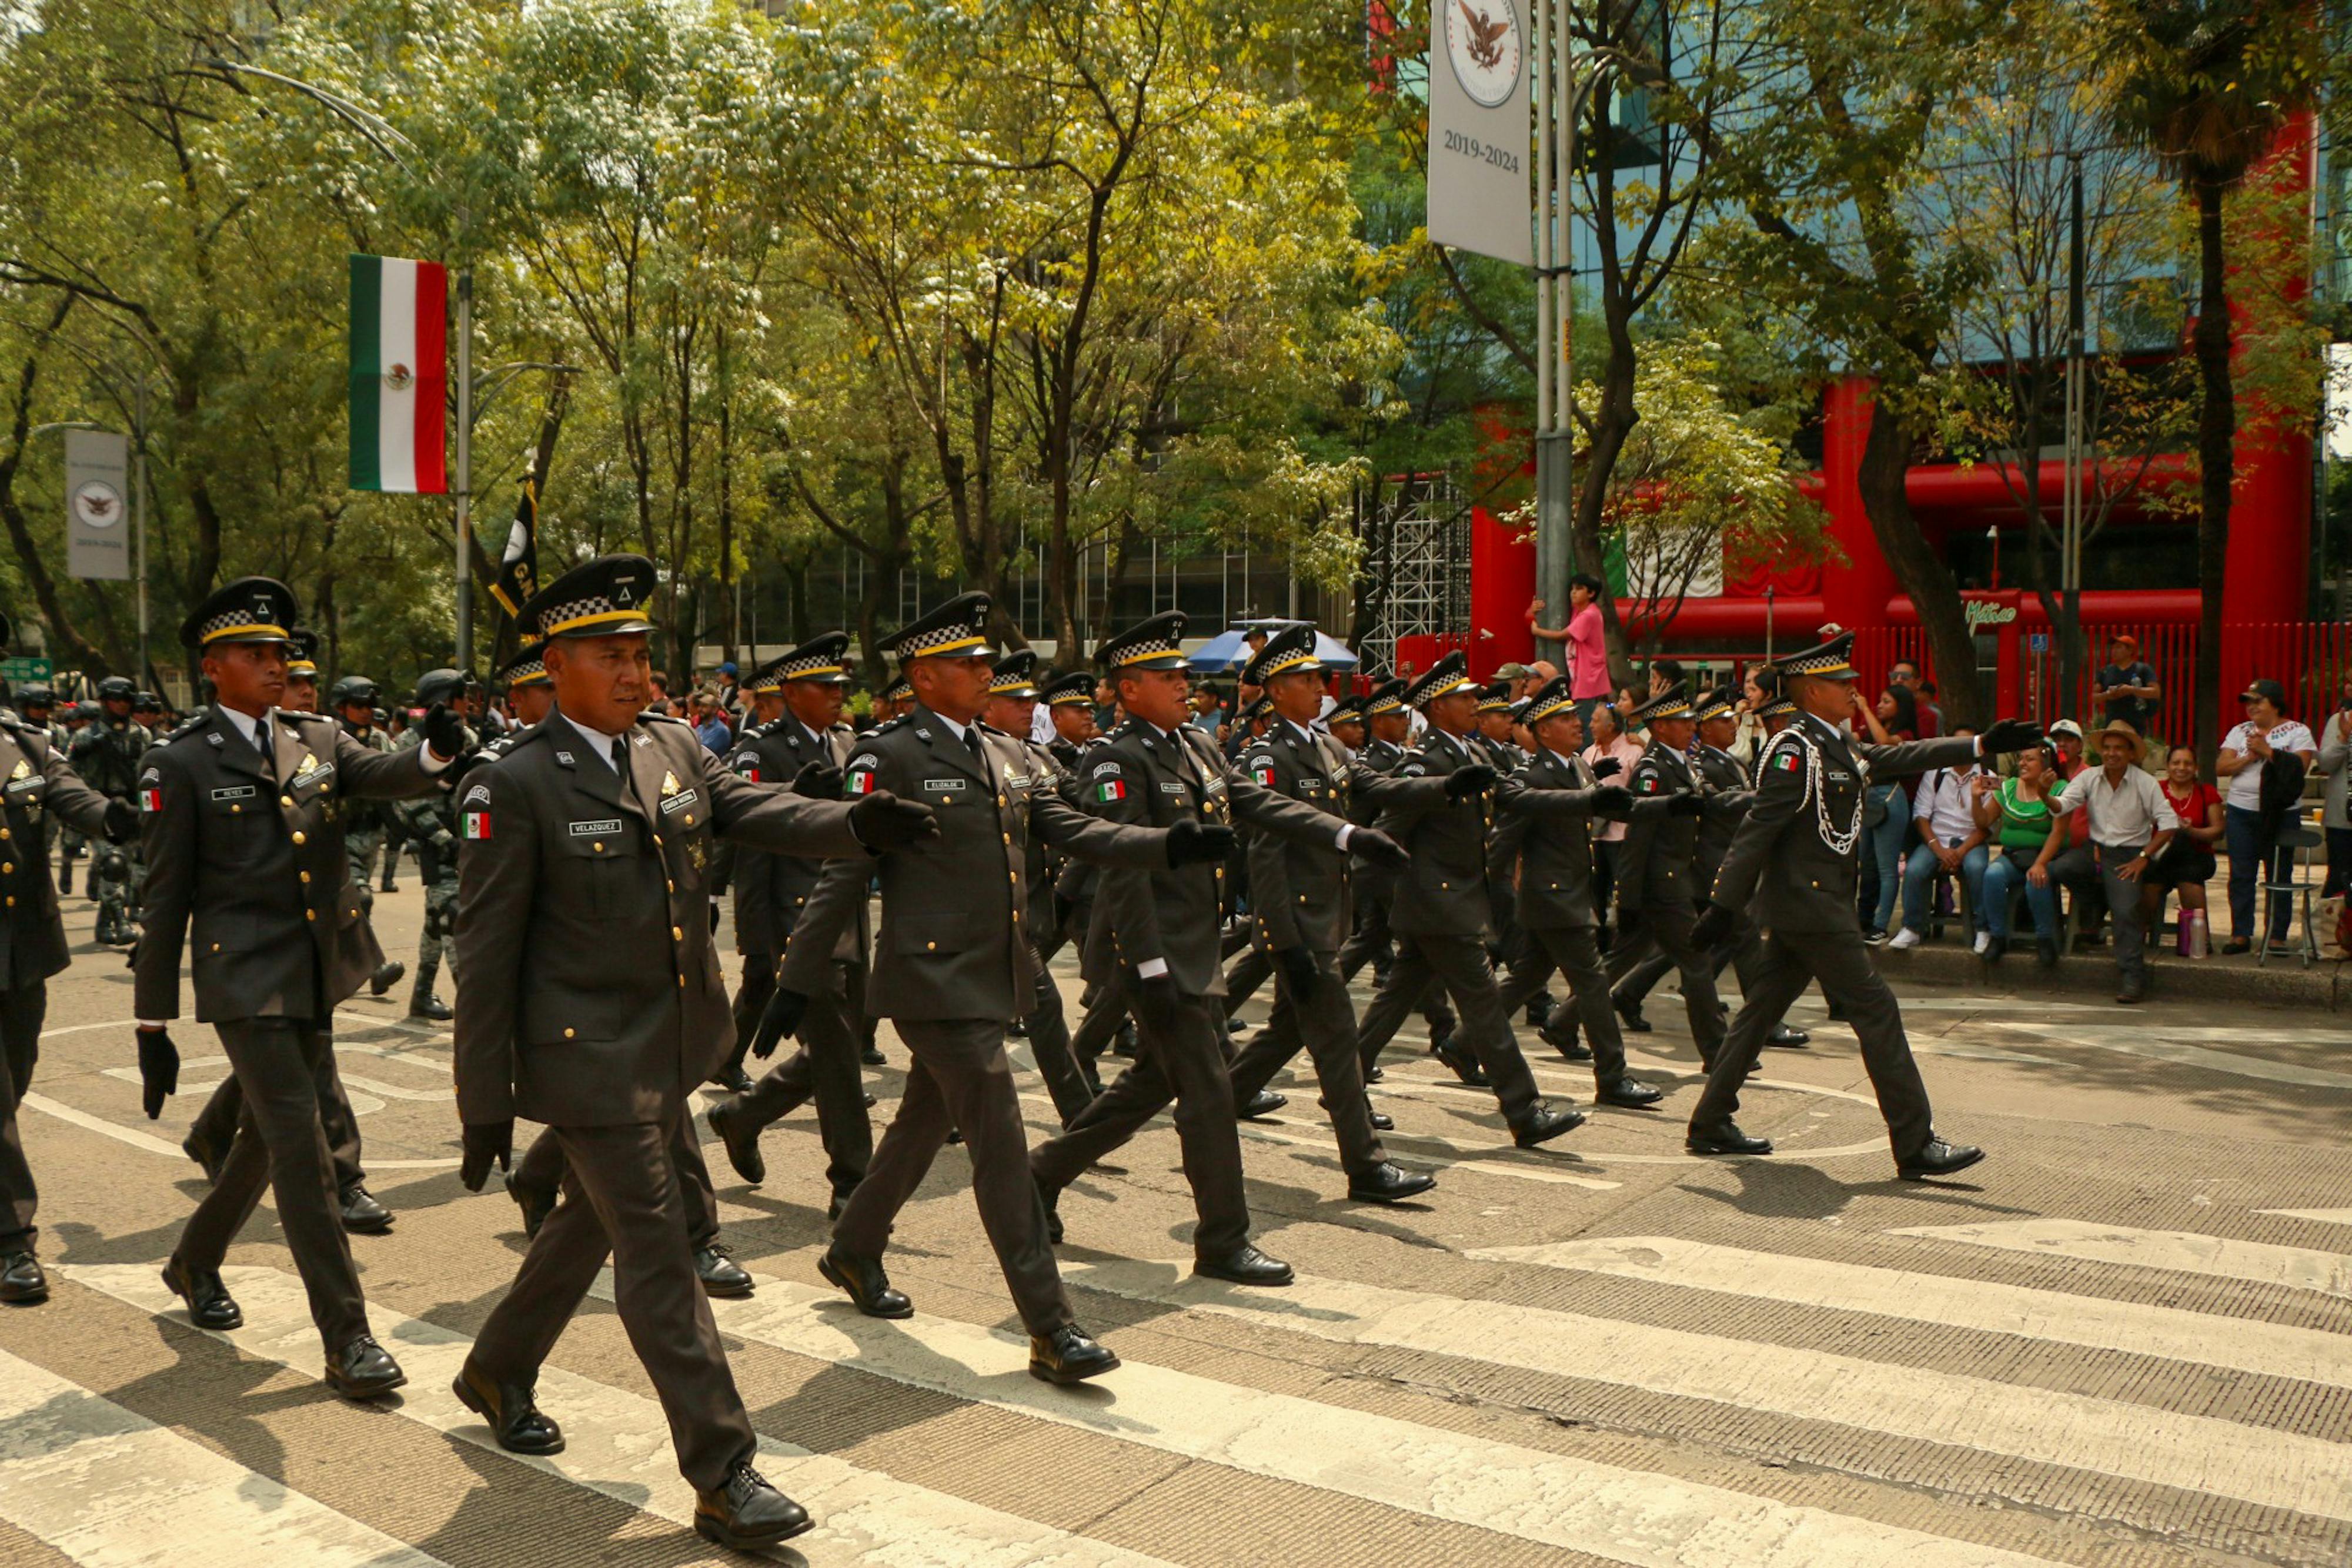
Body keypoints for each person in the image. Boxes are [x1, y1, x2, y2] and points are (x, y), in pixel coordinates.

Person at [450, 555, 933, 1552]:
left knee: (588, 1224)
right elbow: (485, 954)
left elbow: (754, 808)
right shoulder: (517, 780)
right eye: (610, 658)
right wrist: (482, 1102)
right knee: (661, 1253)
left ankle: (497, 1367)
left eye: (641, 655)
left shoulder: (670, 747)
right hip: (584, 1061)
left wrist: (854, 823)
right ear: (558, 664)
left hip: (667, 1048)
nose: (635, 675)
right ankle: (724, 1472)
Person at [797, 593, 1160, 1386]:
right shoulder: (888, 755)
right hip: (929, 979)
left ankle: (854, 1247)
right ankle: (1052, 1325)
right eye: (968, 661)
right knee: (1001, 1148)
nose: (986, 669)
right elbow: (844, 868)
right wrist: (798, 973)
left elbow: (1070, 825)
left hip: (992, 973)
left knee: (920, 1126)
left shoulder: (1004, 753)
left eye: (985, 658)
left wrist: (1162, 845)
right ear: (925, 677)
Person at [135, 577, 459, 1396]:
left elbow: (382, 774)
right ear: (213, 666)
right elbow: (165, 895)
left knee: (264, 1141)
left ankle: (192, 1260)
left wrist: (434, 753)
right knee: (305, 1148)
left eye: (281, 651)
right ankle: (347, 1336)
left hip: (314, 966)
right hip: (242, 977)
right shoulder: (180, 760)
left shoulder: (312, 738)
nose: (275, 664)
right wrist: (151, 1022)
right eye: (255, 652)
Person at [1032, 610, 1384, 1282]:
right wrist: (1152, 965)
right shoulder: (1117, 756)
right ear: (1129, 688)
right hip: (1157, 950)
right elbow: (1122, 865)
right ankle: (1223, 1240)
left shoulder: (1195, 744)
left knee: (1149, 1086)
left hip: (1193, 948)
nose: (1183, 684)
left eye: (1184, 674)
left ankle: (1039, 1173)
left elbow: (1258, 802)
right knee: (1208, 1096)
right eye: (1167, 675)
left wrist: (1346, 837)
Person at [1683, 630, 2041, 1177]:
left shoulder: (1837, 742)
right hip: (1812, 908)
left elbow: (1898, 755)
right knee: (1877, 1011)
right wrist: (1722, 905)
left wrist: (1978, 745)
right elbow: (1757, 830)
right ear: (1808, 690)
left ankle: (1710, 1121)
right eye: (1839, 682)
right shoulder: (1793, 748)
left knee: (1758, 1014)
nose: (1853, 689)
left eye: (1850, 680)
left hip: (1816, 907)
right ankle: (1915, 1142)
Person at [1218, 626, 1432, 1203]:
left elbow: (1378, 784)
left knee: (1287, 1031)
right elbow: (1264, 853)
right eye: (1308, 680)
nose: (1320, 689)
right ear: (1277, 688)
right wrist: (1281, 938)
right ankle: (1365, 1165)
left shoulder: (1328, 746)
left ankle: (1219, 1102)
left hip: (1324, 919)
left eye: (1320, 679)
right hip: (1298, 922)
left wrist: (1448, 785)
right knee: (1337, 1040)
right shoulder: (1268, 756)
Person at [1347, 652, 1587, 1148]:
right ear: (1437, 708)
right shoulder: (1425, 762)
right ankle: (1524, 1109)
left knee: (1392, 1004)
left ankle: (1344, 1080)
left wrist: (1587, 798)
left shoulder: (1472, 754)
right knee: (1484, 1007)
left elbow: (1519, 799)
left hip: (1451, 904)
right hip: (1436, 905)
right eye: (1464, 697)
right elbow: (1387, 834)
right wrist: (1370, 893)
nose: (1476, 702)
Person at [703, 637, 878, 1220]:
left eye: (841, 689)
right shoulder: (763, 751)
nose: (838, 698)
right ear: (790, 693)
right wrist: (757, 949)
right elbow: (753, 855)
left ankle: (743, 1114)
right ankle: (853, 1180)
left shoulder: (851, 745)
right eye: (825, 688)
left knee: (839, 1049)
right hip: (793, 923)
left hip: (847, 920)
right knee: (836, 1055)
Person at [0, 660, 136, 1303]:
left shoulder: (24, 743)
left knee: (17, 1072)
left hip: (20, 949)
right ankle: (12, 1241)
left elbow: (71, 795)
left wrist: (118, 819)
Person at [1492, 678, 1668, 1105]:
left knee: (1526, 979)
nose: (1578, 723)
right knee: (1592, 983)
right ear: (1542, 729)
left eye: (1576, 715)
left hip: (1569, 893)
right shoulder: (1532, 775)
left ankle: (1463, 1043)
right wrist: (1492, 903)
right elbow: (1501, 845)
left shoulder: (1575, 767)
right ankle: (1612, 1076)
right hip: (1551, 896)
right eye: (1566, 718)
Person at [1602, 688, 1725, 1062]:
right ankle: (1718, 1050)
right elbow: (1639, 836)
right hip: (1660, 884)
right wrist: (1628, 896)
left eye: (1691, 721)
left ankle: (1562, 1020)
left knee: (1619, 962)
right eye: (1682, 722)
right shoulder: (1653, 769)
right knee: (1697, 963)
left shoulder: (1681, 762)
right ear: (1660, 726)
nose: (1691, 727)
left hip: (1676, 881)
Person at [2035, 721, 2177, 1003]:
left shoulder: (2144, 783)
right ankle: (2098, 906)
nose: (2112, 754)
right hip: (2096, 848)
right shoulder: (2090, 778)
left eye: (2119, 749)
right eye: (2108, 748)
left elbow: (2170, 824)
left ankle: (2132, 975)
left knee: (2125, 911)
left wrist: (2143, 857)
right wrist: (2043, 794)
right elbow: (2062, 806)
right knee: (2061, 868)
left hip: (2130, 853)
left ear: (2130, 754)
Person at [2215, 678, 2317, 954]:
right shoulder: (2240, 731)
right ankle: (2241, 934)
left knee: (2280, 872)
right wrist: (2248, 758)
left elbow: (2300, 769)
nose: (2251, 707)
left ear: (2275, 703)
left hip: (2281, 813)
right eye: (2248, 702)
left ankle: (2277, 935)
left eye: (2257, 701)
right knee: (2241, 873)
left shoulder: (2298, 731)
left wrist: (2269, 752)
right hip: (2241, 811)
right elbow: (2222, 766)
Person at [1889, 729, 1988, 952]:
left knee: (1978, 868)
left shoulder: (1986, 776)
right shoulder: (1935, 774)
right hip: (1938, 839)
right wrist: (1938, 848)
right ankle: (1912, 928)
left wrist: (1961, 852)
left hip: (1970, 841)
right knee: (1914, 870)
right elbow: (1921, 816)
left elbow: (1987, 827)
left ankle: (1983, 928)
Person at [71, 674, 151, 946]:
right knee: (113, 864)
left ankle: (103, 925)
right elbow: (71, 778)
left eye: (127, 700)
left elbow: (151, 777)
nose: (122, 705)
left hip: (131, 808)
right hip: (100, 807)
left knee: (127, 867)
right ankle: (120, 920)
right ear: (104, 702)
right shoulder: (85, 737)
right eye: (116, 700)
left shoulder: (142, 735)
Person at [1976, 743, 2063, 964]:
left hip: (2046, 857)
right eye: (2021, 758)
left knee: (2036, 880)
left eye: (2030, 759)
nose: (2022, 764)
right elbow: (1984, 822)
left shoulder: (2061, 788)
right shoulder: (2008, 786)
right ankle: (1998, 936)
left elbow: (2058, 833)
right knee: (1992, 875)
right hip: (2013, 856)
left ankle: (2045, 939)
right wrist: (1976, 799)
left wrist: (2041, 863)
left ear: (2046, 766)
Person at [1581, 700, 1643, 955]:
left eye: (1596, 720)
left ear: (1613, 725)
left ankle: (1624, 943)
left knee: (1622, 891)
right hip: (1595, 835)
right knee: (1595, 892)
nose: (1590, 725)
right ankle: (1598, 942)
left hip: (1621, 834)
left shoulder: (1633, 753)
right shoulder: (1588, 754)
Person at [2144, 744, 2224, 945]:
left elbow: (2217, 831)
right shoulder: (2155, 790)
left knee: (2186, 863)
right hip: (2160, 855)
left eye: (2188, 763)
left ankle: (2198, 939)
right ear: (2168, 766)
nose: (2182, 768)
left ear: (2195, 767)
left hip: (2197, 855)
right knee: (2152, 876)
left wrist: (2191, 831)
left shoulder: (2206, 792)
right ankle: (2140, 933)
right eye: (2176, 763)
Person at [1855, 683, 1916, 942]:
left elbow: (1885, 743)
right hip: (1869, 798)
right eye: (1879, 701)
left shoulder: (1906, 733)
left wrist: (1865, 708)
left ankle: (1881, 925)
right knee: (1866, 864)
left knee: (1887, 868)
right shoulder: (1870, 730)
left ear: (1900, 707)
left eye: (1886, 702)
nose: (1879, 706)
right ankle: (1863, 918)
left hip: (1891, 798)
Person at [1526, 574, 1612, 720]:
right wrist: (1531, 612)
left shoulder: (1589, 614)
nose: (1573, 592)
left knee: (1586, 724)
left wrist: (1537, 631)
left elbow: (1563, 635)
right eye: (1572, 589)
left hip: (1588, 678)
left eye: (1579, 589)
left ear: (1591, 594)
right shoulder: (1580, 610)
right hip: (1583, 676)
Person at [2319, 676, 2352, 898]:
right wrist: (2343, 737)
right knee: (2339, 880)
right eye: (2348, 682)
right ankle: (2337, 932)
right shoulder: (2339, 721)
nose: (2349, 687)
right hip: (2342, 818)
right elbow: (2325, 764)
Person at [2094, 635, 2161, 742]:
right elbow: (2094, 697)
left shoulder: (2143, 669)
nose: (2114, 651)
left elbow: (2156, 692)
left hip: (2136, 723)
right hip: (2113, 723)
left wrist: (2131, 690)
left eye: (2119, 647)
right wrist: (2108, 695)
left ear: (2130, 650)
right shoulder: (2106, 671)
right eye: (2113, 648)